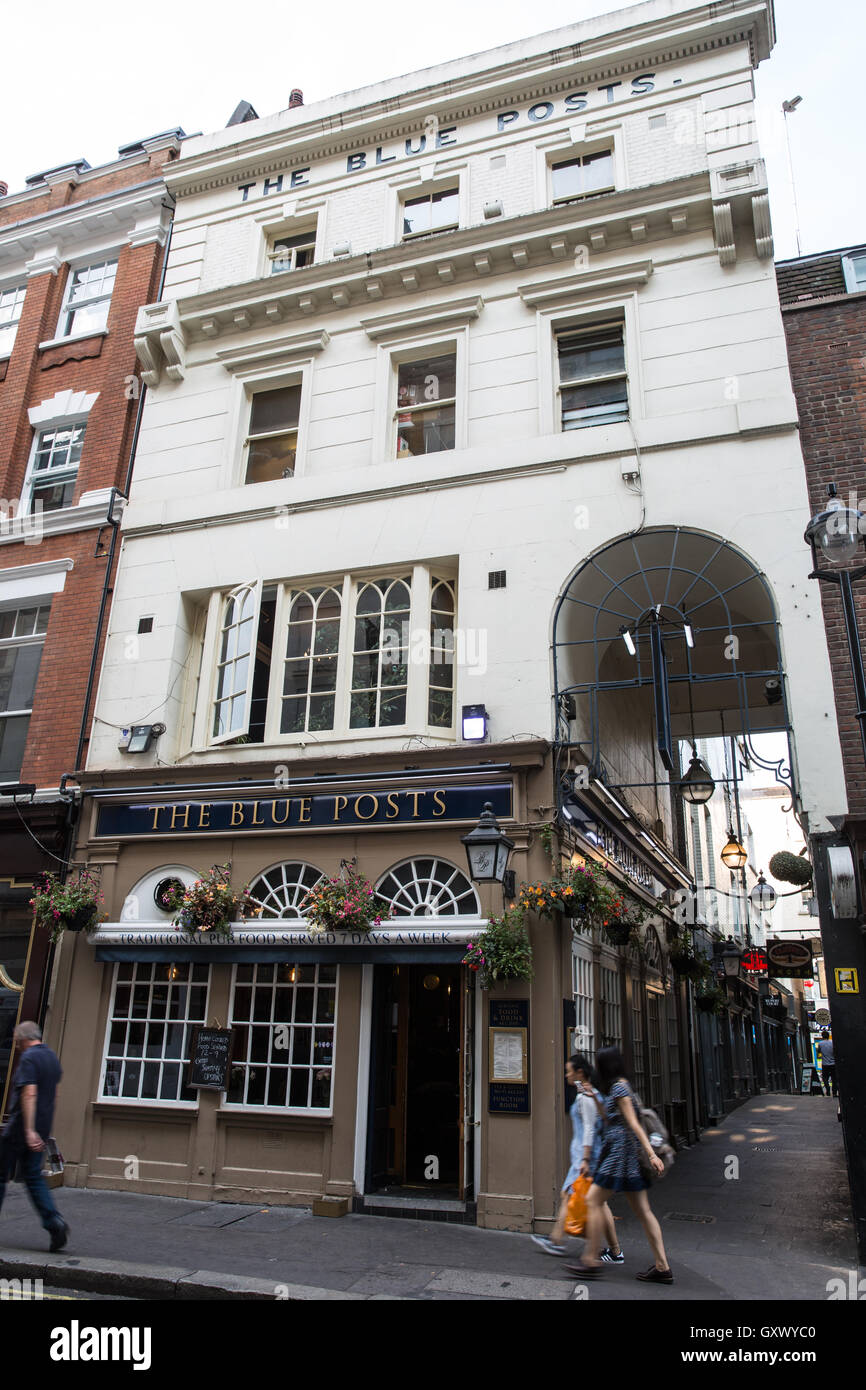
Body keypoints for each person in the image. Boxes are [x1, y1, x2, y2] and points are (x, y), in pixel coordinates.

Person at [565, 1046, 672, 1284]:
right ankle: (662, 1266)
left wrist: (652, 1155)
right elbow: (609, 1118)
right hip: (624, 1156)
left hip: (620, 1156)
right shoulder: (622, 1086)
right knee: (643, 1212)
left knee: (593, 1200)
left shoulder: (619, 1088)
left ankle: (591, 1259)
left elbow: (633, 1124)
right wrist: (593, 1096)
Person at [531, 1053, 622, 1260]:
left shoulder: (585, 1098)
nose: (566, 1076)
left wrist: (585, 1160)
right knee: (596, 1202)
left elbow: (590, 1129)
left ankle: (558, 1241)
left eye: (569, 1071)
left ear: (580, 1072)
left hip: (586, 1156)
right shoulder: (591, 1094)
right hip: (588, 1155)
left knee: (571, 1196)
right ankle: (615, 1250)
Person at [0, 1021, 68, 1252]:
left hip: (21, 1129)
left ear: (22, 1039)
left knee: (1, 1176)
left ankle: (54, 1222)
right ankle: (54, 1222)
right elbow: (55, 1095)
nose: (17, 1046)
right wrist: (44, 1129)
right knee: (33, 1176)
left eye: (17, 1042)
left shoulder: (29, 1058)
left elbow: (29, 1093)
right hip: (41, 1129)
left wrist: (28, 1130)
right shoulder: (51, 1057)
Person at [816, 1029, 837, 1097]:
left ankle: (827, 1089)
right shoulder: (832, 1042)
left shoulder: (820, 1043)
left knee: (825, 1078)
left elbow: (818, 1052)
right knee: (834, 1079)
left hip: (825, 1064)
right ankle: (834, 1092)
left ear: (822, 1036)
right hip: (833, 1064)